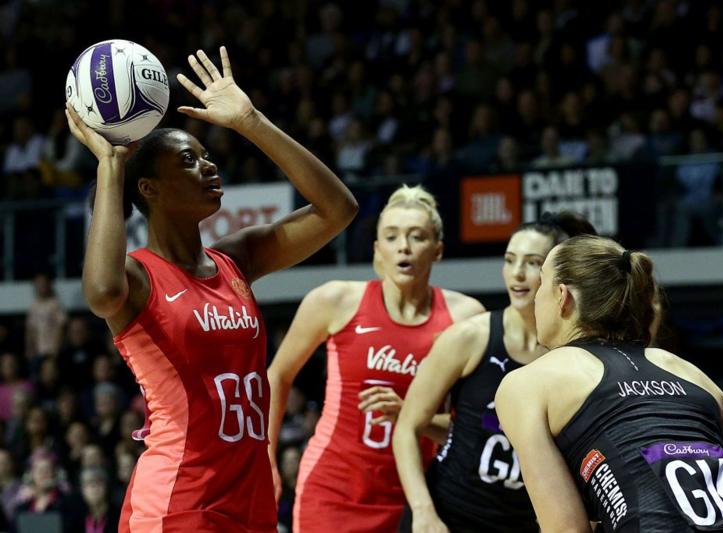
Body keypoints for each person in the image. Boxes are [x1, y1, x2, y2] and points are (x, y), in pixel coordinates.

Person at [67, 46, 357, 533]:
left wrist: (249, 120)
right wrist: (110, 165)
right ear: (150, 190)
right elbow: (99, 293)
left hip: (250, 501)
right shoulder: (137, 277)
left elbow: (337, 210)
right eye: (188, 160)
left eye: (206, 156)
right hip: (179, 502)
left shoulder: (234, 260)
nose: (208, 166)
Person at [496, 235, 723, 532]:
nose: (535, 296)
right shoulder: (683, 368)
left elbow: (566, 528)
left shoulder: (527, 383)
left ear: (562, 296)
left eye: (542, 283)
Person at [267, 185, 484, 532]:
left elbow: (473, 429)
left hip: (417, 497)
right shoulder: (334, 300)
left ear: (438, 250)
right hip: (332, 491)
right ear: (377, 249)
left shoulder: (466, 317)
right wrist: (267, 460)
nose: (404, 247)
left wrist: (411, 416)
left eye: (417, 237)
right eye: (392, 236)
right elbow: (277, 376)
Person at [393, 213, 596, 533]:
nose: (516, 273)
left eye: (532, 263)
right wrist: (423, 513)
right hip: (450, 515)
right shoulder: (469, 337)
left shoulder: (573, 356)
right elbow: (407, 427)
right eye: (509, 260)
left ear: (556, 274)